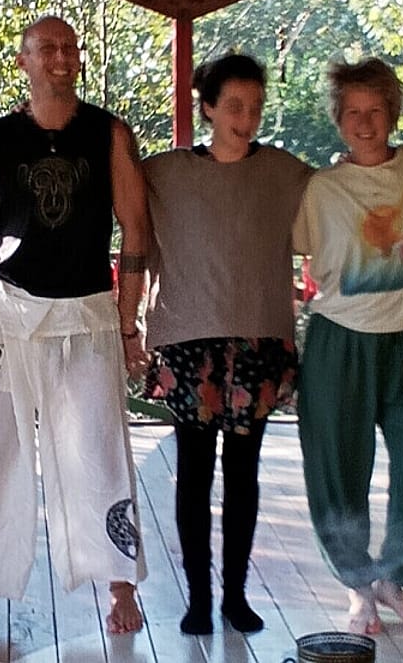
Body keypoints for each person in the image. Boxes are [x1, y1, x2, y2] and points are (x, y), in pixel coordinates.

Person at [0, 15, 149, 644]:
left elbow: (136, 231)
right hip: (14, 316)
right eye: (46, 48)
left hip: (88, 313)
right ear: (23, 62)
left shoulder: (109, 134)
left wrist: (129, 322)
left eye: (68, 48)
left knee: (100, 451)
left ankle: (120, 584)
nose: (61, 57)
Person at [141, 53, 312, 635]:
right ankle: (198, 597)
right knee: (193, 475)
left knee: (243, 475)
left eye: (256, 106)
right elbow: (115, 185)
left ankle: (235, 595)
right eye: (234, 105)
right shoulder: (164, 172)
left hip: (259, 339)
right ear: (208, 107)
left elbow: (343, 198)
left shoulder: (285, 172)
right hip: (189, 342)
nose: (247, 117)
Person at [292, 57, 403, 636]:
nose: (364, 123)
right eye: (353, 112)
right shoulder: (321, 189)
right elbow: (274, 245)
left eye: (376, 110)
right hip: (338, 343)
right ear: (338, 120)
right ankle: (358, 586)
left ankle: (393, 576)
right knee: (338, 470)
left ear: (393, 113)